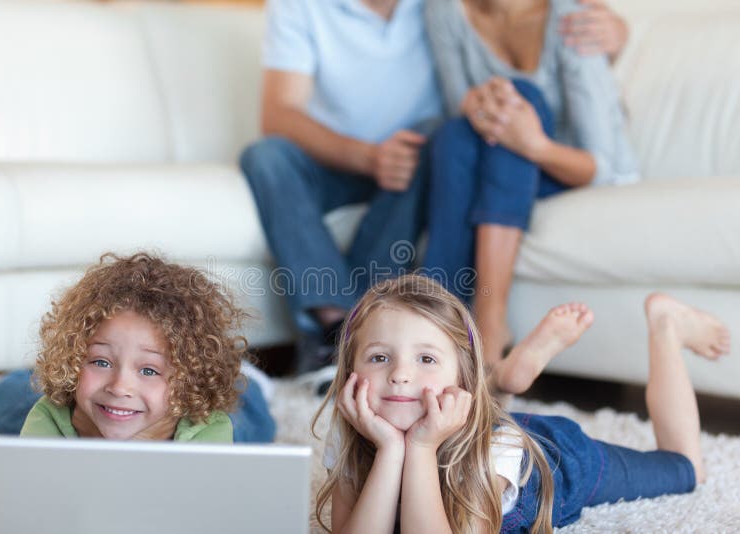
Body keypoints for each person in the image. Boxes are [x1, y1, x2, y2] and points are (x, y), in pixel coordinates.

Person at [313, 275, 729, 532]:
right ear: (349, 370)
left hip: (558, 458)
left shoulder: (497, 454)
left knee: (687, 468)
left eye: (425, 359)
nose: (399, 375)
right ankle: (505, 381)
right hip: (469, 416)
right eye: (379, 357)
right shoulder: (352, 433)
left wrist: (419, 448)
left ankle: (666, 326)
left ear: (462, 378)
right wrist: (390, 448)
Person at [421, 0, 637, 369]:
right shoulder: (444, 11)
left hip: (569, 168)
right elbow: (460, 105)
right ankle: (432, 326)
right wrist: (479, 107)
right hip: (494, 161)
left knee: (523, 98)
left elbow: (602, 167)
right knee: (454, 135)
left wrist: (533, 144)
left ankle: (488, 323)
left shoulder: (571, 20)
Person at [239, 0, 444, 373]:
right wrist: (369, 158)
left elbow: (517, 18)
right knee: (267, 156)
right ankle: (336, 325)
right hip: (333, 160)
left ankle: (359, 329)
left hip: (412, 163)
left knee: (434, 137)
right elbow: (278, 114)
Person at [11, 252, 275, 442]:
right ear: (74, 356)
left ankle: (252, 380)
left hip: (224, 412)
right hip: (83, 407)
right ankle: (10, 381)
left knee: (253, 421)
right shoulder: (49, 416)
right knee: (10, 403)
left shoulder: (208, 428)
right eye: (101, 362)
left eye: (149, 370)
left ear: (189, 380)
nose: (120, 387)